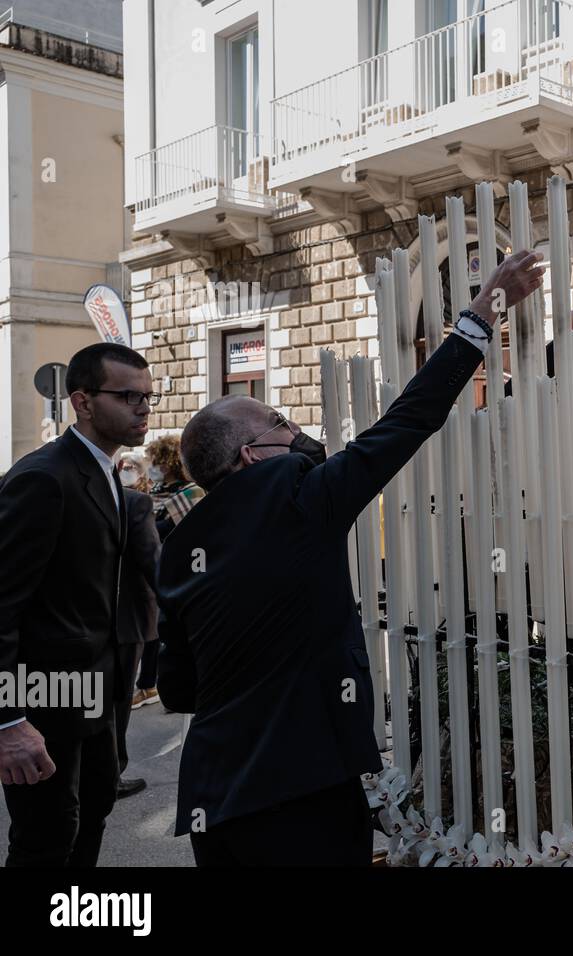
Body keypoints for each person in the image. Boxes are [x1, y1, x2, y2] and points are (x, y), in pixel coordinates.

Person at [155, 250, 543, 866]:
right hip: (305, 793)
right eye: (282, 423)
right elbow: (408, 421)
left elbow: (176, 688)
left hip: (218, 800)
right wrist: (481, 313)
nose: (299, 431)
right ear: (253, 456)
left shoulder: (179, 548)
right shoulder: (297, 499)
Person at [0, 342, 154, 866]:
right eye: (128, 395)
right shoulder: (43, 477)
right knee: (45, 841)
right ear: (82, 402)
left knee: (89, 820)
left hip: (97, 699)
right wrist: (8, 722)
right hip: (43, 703)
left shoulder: (108, 470)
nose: (143, 408)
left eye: (148, 397)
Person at [134, 434, 202, 709]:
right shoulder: (156, 490)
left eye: (158, 461)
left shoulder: (191, 492)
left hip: (180, 568)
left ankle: (154, 685)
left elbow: (167, 531)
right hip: (153, 566)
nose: (154, 466)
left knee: (167, 629)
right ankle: (150, 684)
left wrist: (143, 527)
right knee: (153, 627)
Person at [112, 457, 161, 799]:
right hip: (127, 617)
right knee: (116, 702)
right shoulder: (135, 503)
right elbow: (155, 565)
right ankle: (110, 773)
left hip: (83, 619)